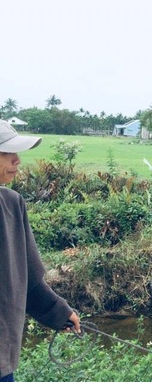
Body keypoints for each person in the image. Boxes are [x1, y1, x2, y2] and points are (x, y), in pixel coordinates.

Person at [0, 120, 81, 382]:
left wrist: (59, 312)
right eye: (7, 153)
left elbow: (27, 280)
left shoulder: (12, 204)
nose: (17, 161)